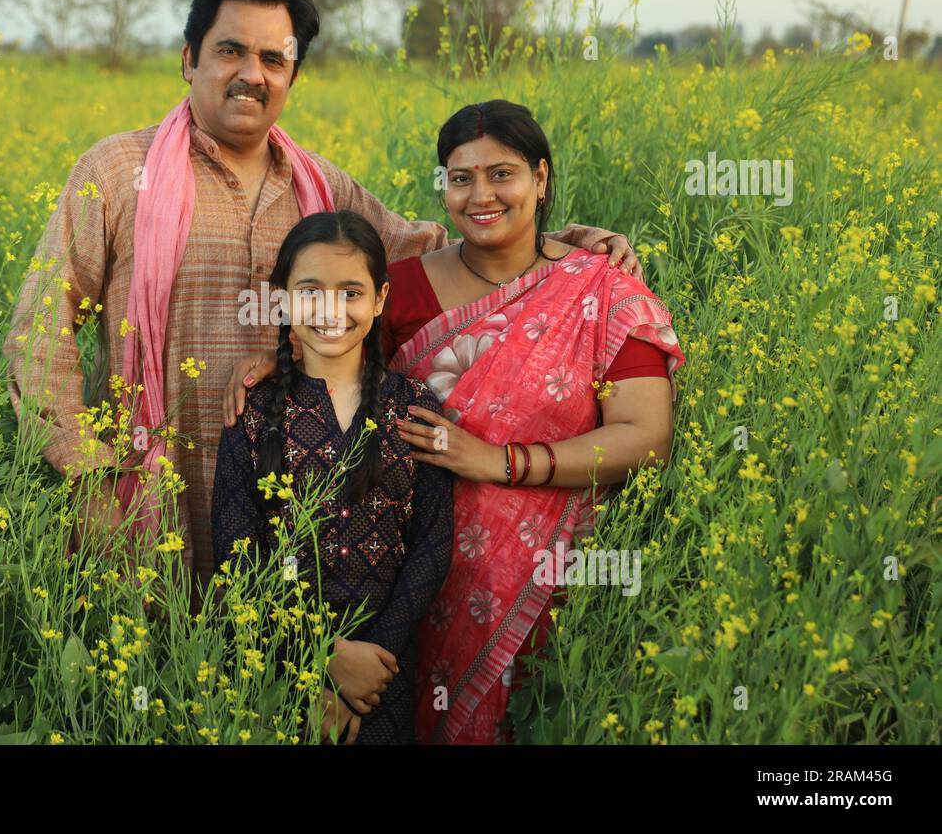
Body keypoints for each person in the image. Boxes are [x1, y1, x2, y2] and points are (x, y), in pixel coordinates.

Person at [4, 0, 642, 593]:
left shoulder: (322, 188)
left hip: (290, 532)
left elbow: (438, 250)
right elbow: (40, 328)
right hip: (142, 509)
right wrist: (86, 477)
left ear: (292, 76)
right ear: (188, 59)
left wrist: (555, 244)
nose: (251, 75)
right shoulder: (119, 173)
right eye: (230, 51)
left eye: (273, 59)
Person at [228, 100, 686, 745]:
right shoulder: (405, 287)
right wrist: (266, 363)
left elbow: (646, 438)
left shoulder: (603, 292)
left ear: (542, 179)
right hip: (397, 586)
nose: (481, 195)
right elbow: (330, 364)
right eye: (460, 177)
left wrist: (499, 462)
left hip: (544, 583)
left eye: (503, 174)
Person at [211, 210, 452, 744]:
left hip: (382, 673)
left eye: (351, 292)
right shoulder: (251, 412)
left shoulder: (415, 408)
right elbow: (237, 552)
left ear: (381, 300)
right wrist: (321, 656)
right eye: (310, 291)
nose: (330, 310)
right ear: (281, 299)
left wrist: (368, 666)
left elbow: (431, 549)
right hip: (271, 659)